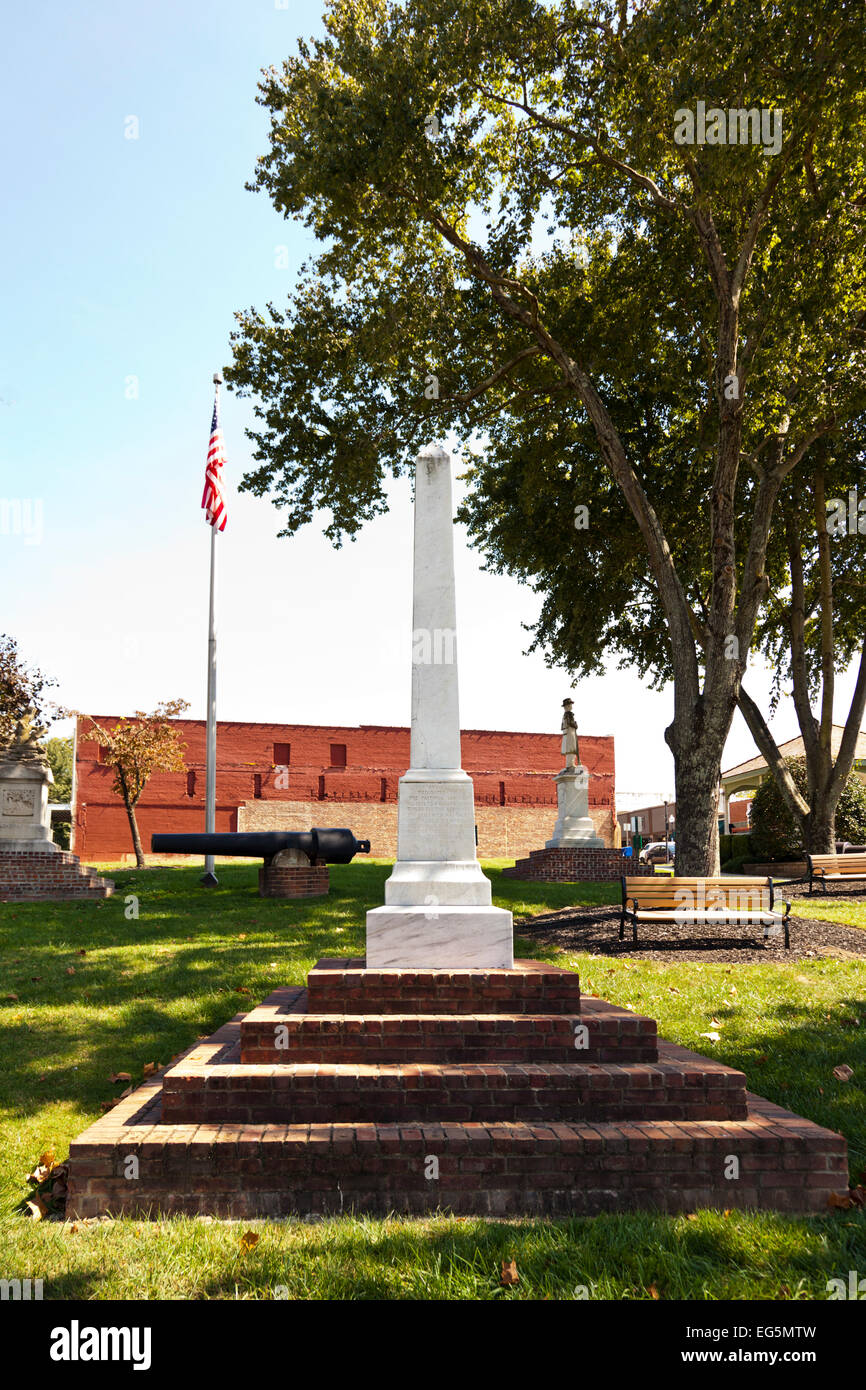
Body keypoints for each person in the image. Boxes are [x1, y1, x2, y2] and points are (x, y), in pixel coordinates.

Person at [560, 698, 580, 768]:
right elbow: (571, 723)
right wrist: (576, 725)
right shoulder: (569, 714)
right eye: (570, 704)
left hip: (567, 733)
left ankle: (569, 763)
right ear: (567, 706)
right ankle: (571, 764)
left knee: (569, 748)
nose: (571, 706)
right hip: (570, 733)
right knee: (571, 748)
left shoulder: (564, 715)